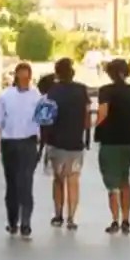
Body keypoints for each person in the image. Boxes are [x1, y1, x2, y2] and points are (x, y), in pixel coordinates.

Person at [0, 62, 44, 239]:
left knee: (26, 183)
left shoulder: (37, 97)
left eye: (27, 77)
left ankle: (26, 223)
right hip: (10, 144)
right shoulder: (5, 96)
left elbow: (44, 122)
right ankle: (13, 221)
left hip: (29, 143)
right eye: (21, 77)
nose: (25, 80)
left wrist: (43, 144)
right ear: (16, 77)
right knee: (12, 184)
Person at [95, 59, 130, 234]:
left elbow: (103, 113)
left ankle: (114, 220)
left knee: (111, 182)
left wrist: (94, 128)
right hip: (127, 139)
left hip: (109, 140)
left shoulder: (106, 91)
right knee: (125, 179)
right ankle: (126, 219)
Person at [44, 58, 92, 230]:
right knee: (73, 179)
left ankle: (58, 215)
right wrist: (84, 131)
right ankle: (71, 217)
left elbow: (45, 118)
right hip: (75, 142)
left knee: (58, 180)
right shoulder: (81, 90)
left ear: (57, 72)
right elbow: (87, 117)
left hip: (56, 142)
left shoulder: (52, 91)